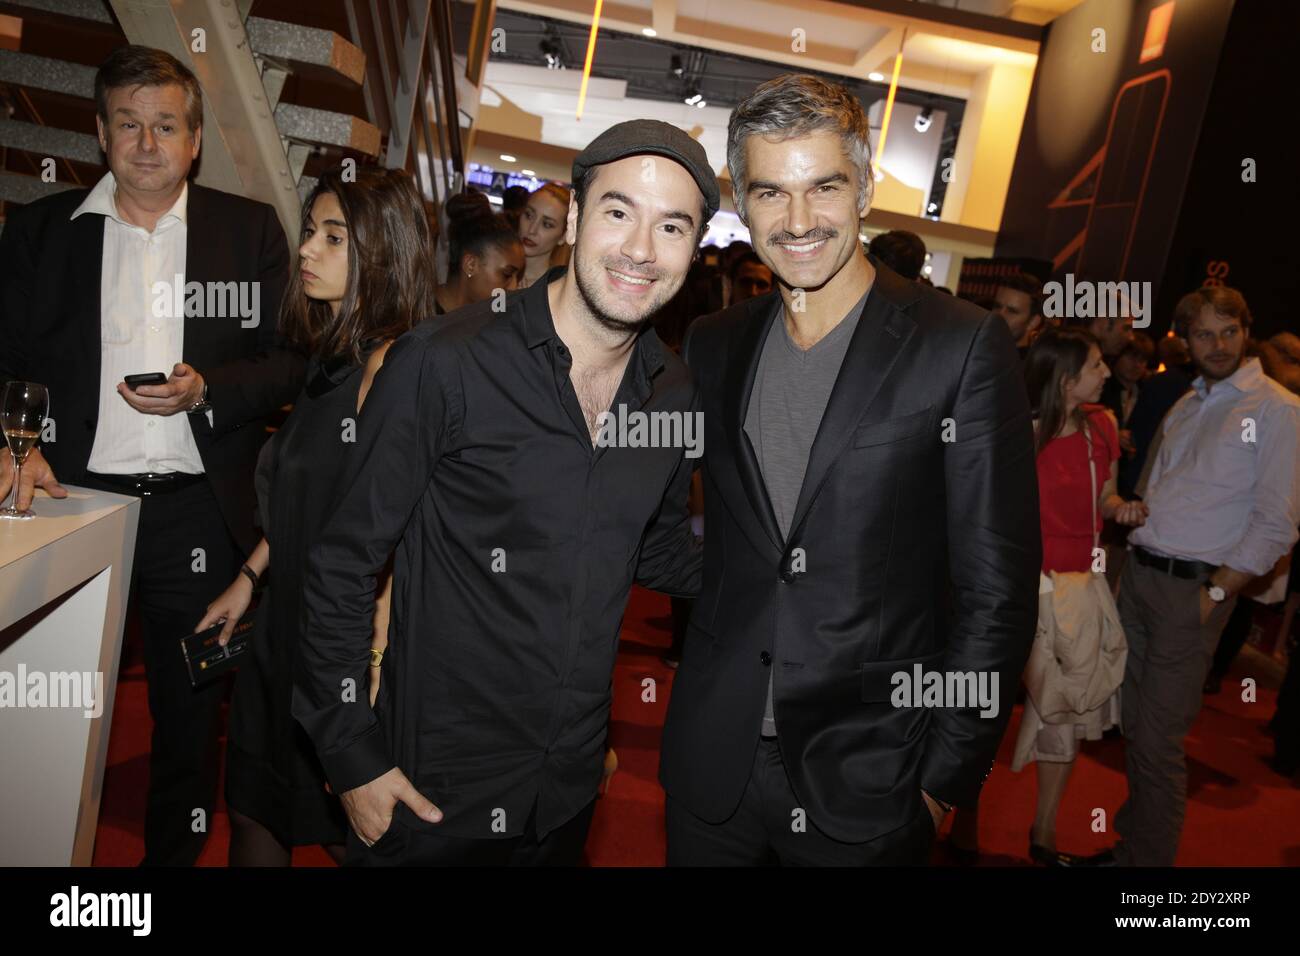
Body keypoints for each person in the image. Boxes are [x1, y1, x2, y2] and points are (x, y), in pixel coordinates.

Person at [293, 119, 719, 866]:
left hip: (564, 795)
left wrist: (779, 556)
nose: (641, 250)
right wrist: (348, 750)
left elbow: (651, 551)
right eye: (619, 212)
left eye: (672, 226)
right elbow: (341, 563)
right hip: (428, 790)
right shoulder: (444, 362)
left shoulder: (671, 394)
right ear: (578, 220)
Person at [659, 73, 1041, 866]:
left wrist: (941, 782)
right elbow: (685, 535)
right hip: (712, 767)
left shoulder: (959, 345)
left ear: (864, 183)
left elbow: (996, 589)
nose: (798, 222)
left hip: (871, 778)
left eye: (823, 187)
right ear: (740, 199)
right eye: (769, 193)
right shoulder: (714, 342)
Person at [0, 45, 305, 865]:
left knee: (185, 716)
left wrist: (208, 389)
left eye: (164, 125)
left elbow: (289, 359)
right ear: (100, 134)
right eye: (128, 124)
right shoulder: (39, 234)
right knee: (46, 704)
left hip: (193, 514)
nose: (146, 143)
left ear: (195, 138)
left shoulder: (246, 233)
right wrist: (11, 444)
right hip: (71, 500)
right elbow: (8, 360)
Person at [191, 167, 434, 866]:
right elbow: (306, 508)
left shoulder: (392, 369)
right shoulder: (324, 361)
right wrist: (247, 578)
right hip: (280, 630)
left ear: (382, 253)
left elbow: (388, 535)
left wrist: (374, 664)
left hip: (337, 648)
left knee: (348, 832)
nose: (306, 250)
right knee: (253, 812)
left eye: (334, 237)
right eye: (309, 231)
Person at [1091, 286, 1300, 866]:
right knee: (1132, 726)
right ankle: (1132, 849)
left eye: (1228, 331)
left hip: (1195, 592)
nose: (1218, 345)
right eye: (1204, 334)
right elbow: (1165, 492)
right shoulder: (1190, 401)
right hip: (1141, 576)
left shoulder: (1277, 408)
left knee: (1157, 742)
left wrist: (1215, 593)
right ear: (1185, 339)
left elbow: (1277, 523)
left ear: (1246, 329)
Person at [1011, 329, 1147, 864]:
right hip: (1020, 593)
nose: (1107, 372)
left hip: (1076, 593)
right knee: (982, 710)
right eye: (1095, 365)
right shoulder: (1017, 435)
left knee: (1062, 713)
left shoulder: (1102, 428)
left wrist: (1122, 509)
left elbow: (1107, 495)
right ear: (1067, 381)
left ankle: (1043, 835)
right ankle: (959, 821)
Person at [434, 194, 525, 314]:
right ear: (470, 265)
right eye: (507, 275)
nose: (514, 287)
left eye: (517, 278)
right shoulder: (414, 319)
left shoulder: (490, 320)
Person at [518, 181, 572, 287]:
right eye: (529, 215)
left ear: (563, 236)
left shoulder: (560, 288)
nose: (532, 230)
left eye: (547, 224)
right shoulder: (491, 272)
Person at [991, 272, 1045, 360]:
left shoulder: (1028, 370)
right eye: (997, 306)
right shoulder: (979, 352)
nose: (999, 315)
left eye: (1012, 311)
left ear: (1033, 322)